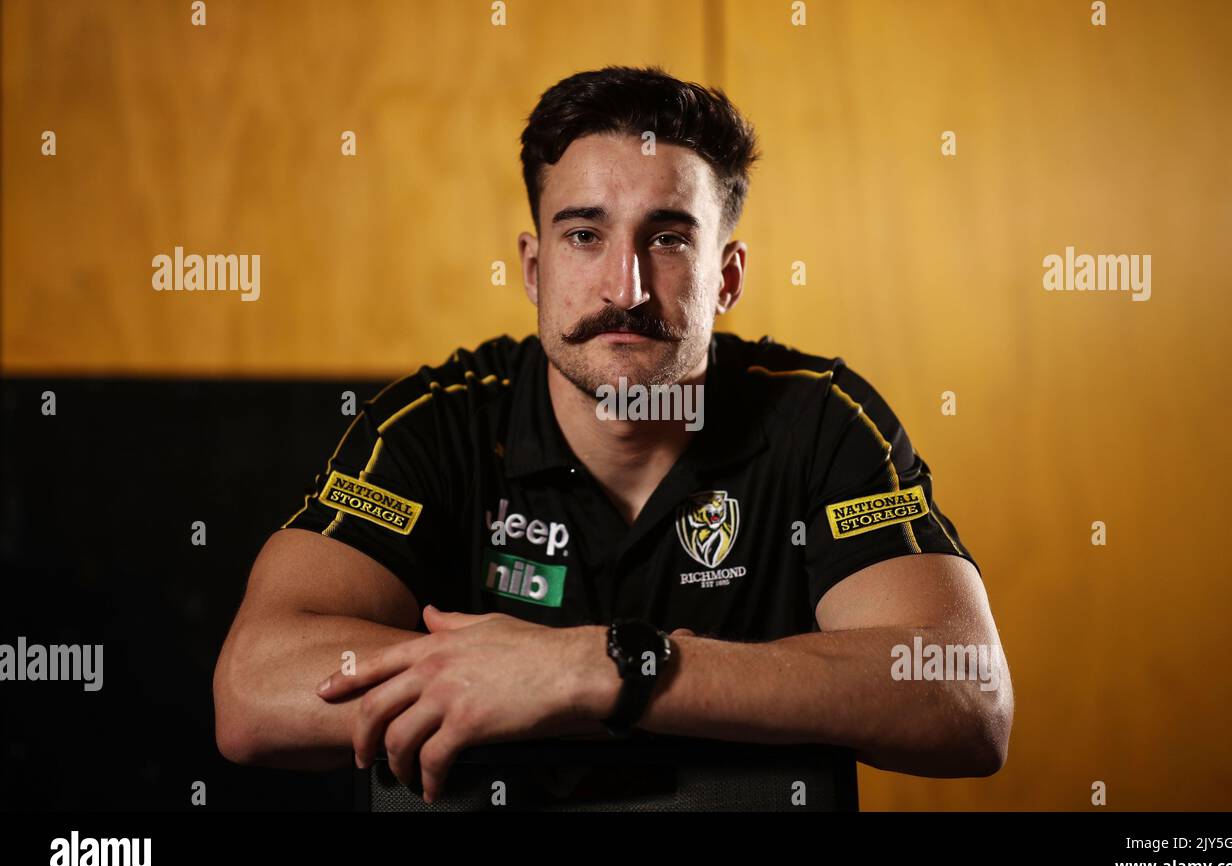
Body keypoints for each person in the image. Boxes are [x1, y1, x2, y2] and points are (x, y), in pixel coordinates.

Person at [213, 65, 1013, 806]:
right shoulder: (431, 425)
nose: (624, 285)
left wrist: (595, 668)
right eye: (584, 234)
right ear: (534, 269)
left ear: (727, 277)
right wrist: (533, 681)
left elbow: (968, 694)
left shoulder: (821, 419)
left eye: (667, 237)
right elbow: (253, 692)